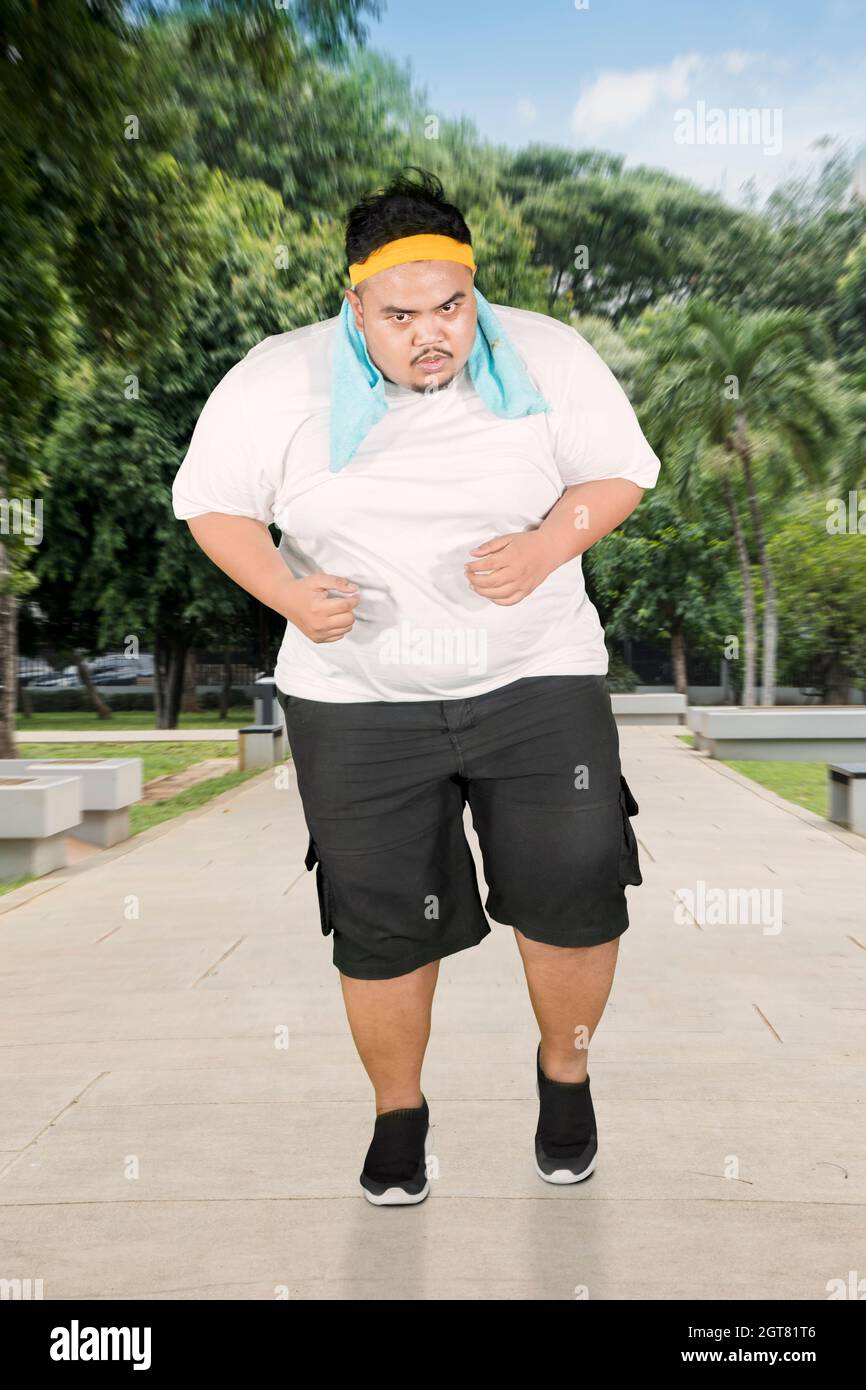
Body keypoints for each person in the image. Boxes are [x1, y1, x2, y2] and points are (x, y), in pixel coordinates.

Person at [172, 168, 660, 1206]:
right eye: (401, 315)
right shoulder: (275, 381)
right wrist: (292, 599)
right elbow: (213, 508)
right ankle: (400, 1112)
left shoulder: (546, 356)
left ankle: (563, 1074)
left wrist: (542, 548)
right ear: (353, 304)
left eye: (450, 307)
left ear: (473, 292)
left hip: (535, 674)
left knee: (576, 882)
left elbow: (619, 471)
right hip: (354, 695)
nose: (430, 333)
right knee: (381, 917)